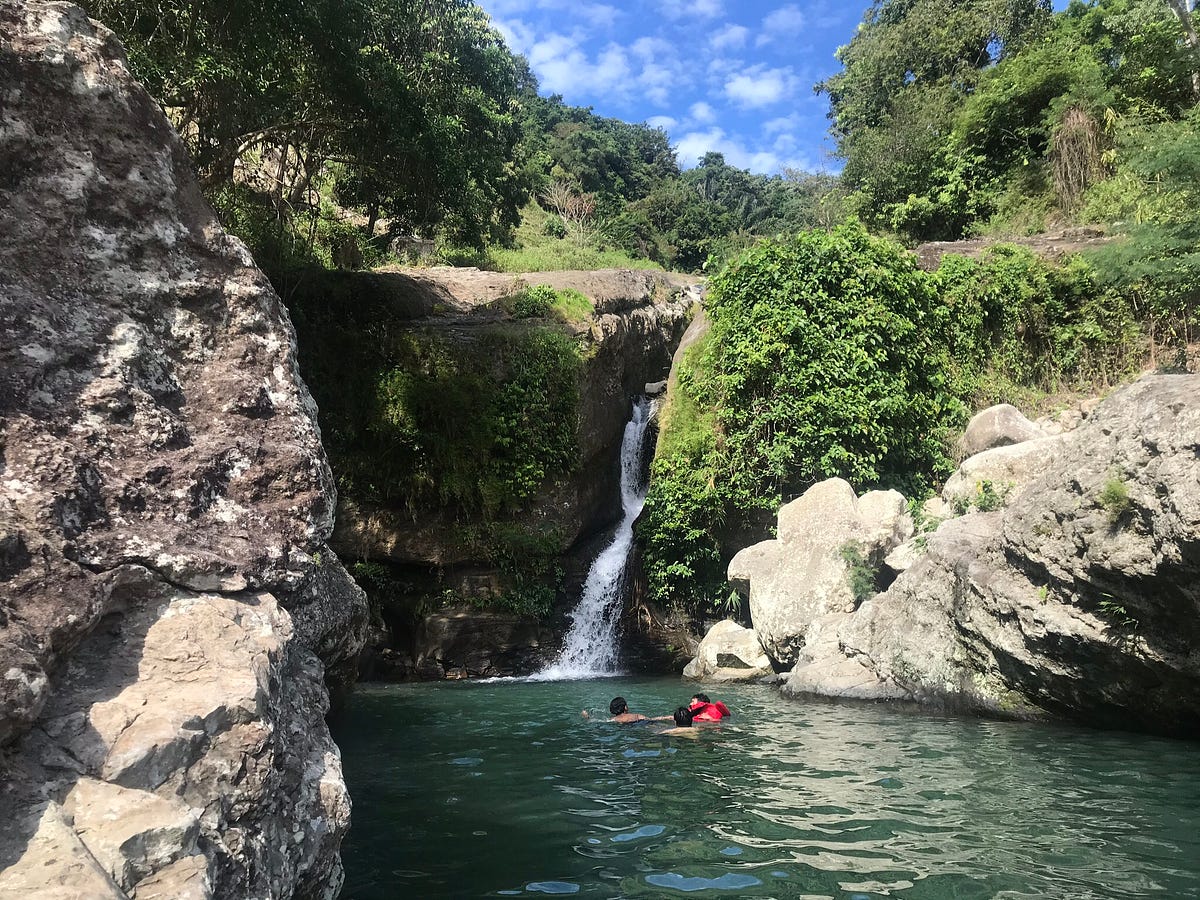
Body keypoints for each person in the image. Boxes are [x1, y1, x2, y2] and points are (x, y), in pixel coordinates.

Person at [581, 697, 672, 723]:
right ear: (625, 707)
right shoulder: (636, 716)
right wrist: (666, 717)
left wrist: (588, 718)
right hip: (636, 724)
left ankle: (587, 716)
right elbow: (652, 719)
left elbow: (598, 721)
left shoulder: (613, 719)